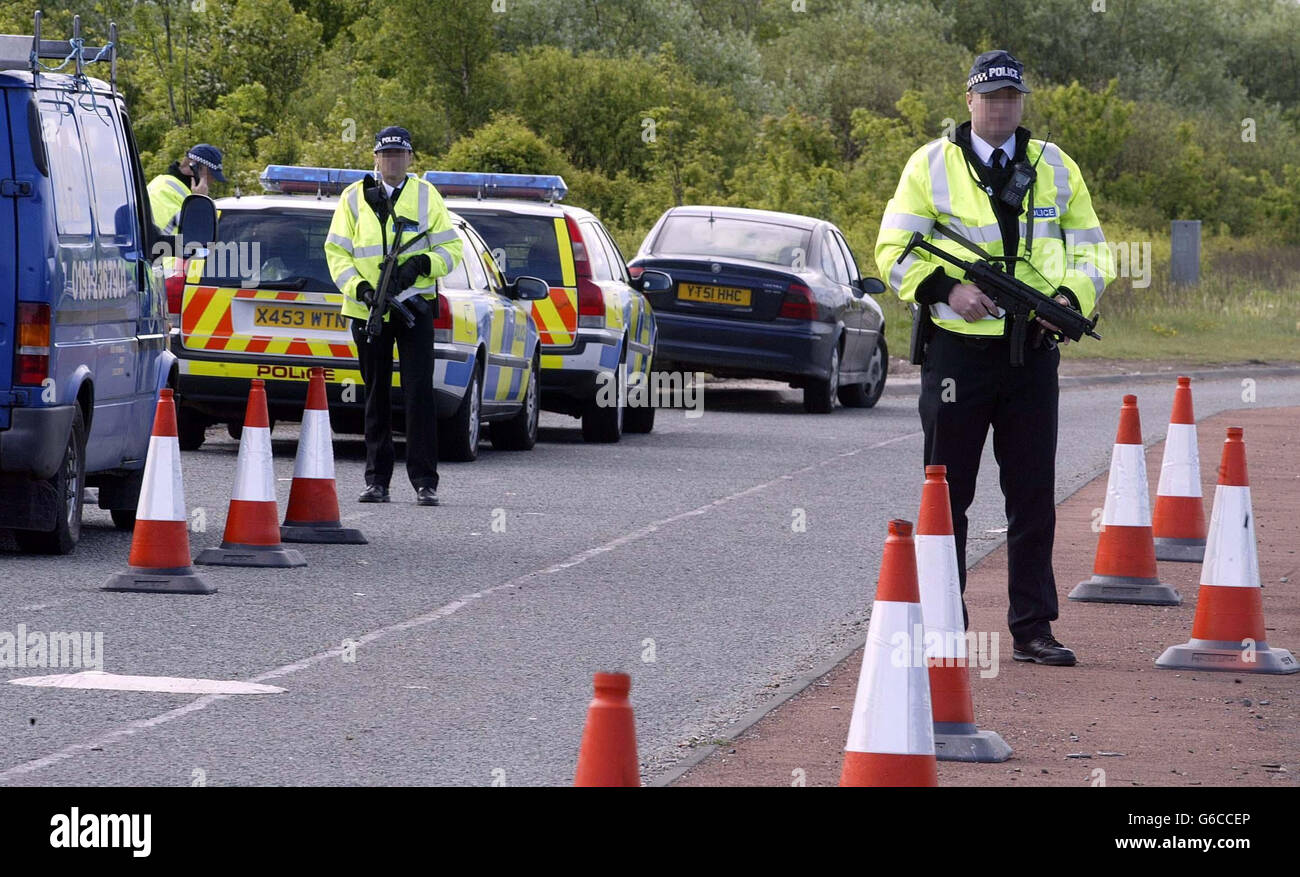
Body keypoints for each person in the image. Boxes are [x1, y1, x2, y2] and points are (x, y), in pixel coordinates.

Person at [875, 50, 1115, 666]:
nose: (1000, 107)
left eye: (1011, 96)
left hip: (1032, 353)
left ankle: (1033, 628)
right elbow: (893, 250)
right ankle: (941, 625)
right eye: (990, 96)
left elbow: (1093, 251)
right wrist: (946, 290)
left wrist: (1068, 299)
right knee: (946, 493)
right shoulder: (930, 163)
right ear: (969, 101)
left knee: (1032, 496)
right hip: (957, 356)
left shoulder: (1054, 164)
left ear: (1021, 101)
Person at [323, 126, 463, 506]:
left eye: (399, 155)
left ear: (410, 158)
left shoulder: (426, 195)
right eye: (386, 155)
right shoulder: (354, 197)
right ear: (375, 158)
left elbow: (451, 249)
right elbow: (336, 253)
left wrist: (422, 264)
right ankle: (377, 480)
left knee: (419, 394)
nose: (393, 162)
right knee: (376, 395)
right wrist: (360, 289)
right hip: (368, 308)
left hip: (413, 306)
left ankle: (424, 481)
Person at [148, 144, 226, 235]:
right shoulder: (166, 194)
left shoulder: (161, 181)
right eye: (210, 175)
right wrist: (199, 201)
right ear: (195, 168)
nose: (212, 181)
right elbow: (198, 235)